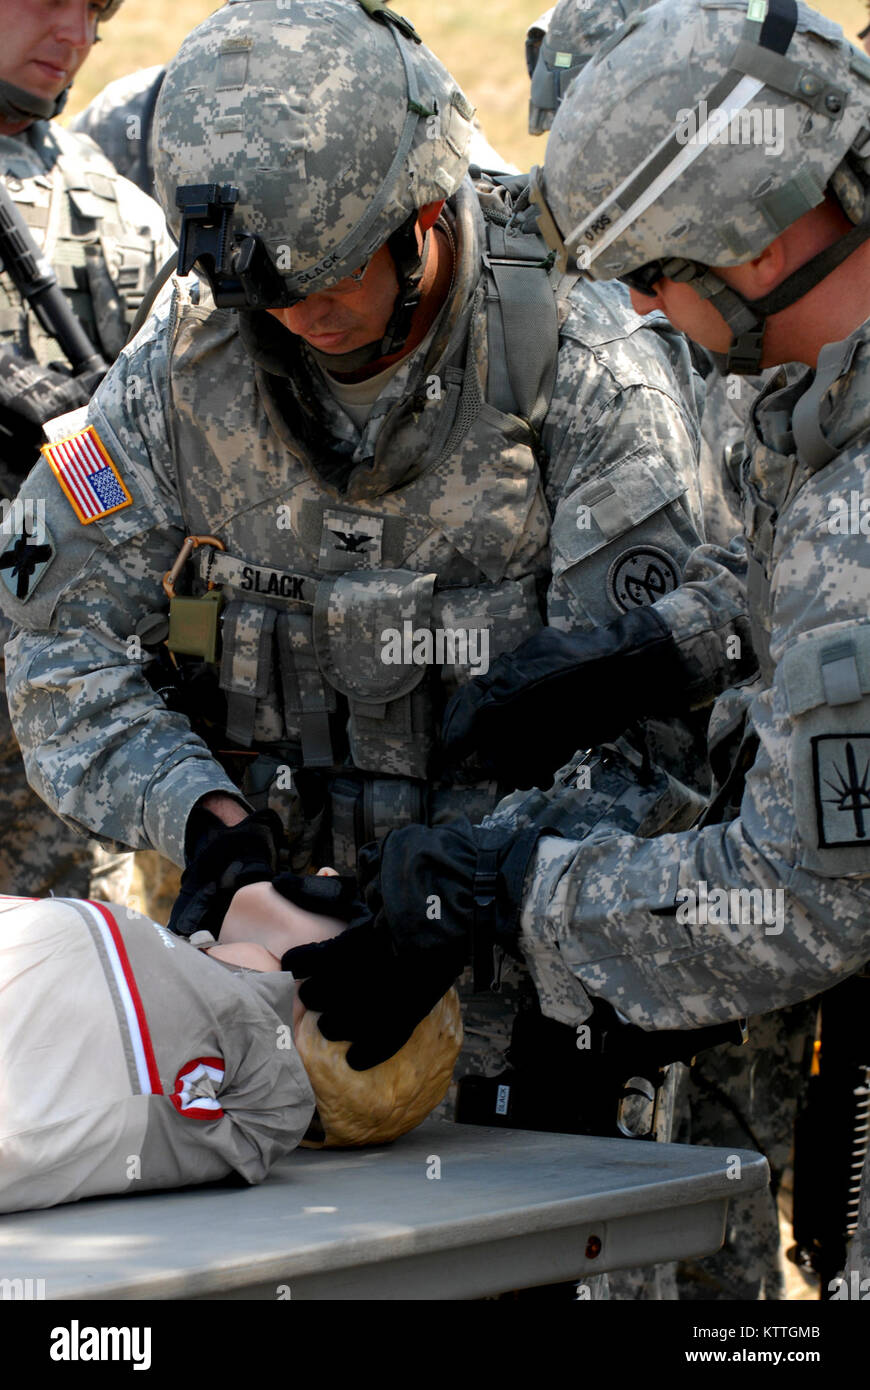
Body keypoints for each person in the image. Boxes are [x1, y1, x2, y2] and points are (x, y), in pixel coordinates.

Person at [265, 0, 870, 1293]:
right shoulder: (828, 404)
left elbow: (799, 900)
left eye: (653, 278)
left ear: (749, 256)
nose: (648, 314)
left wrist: (508, 886)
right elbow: (801, 580)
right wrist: (659, 647)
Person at [1, 0, 708, 1107]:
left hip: (532, 1016)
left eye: (330, 277)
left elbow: (659, 744)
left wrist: (473, 894)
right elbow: (53, 640)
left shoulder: (580, 370)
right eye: (270, 293)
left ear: (425, 211)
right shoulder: (193, 354)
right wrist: (200, 817)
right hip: (271, 1003)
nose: (301, 319)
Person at [0, 0, 172, 903]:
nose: (74, 34)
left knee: (71, 969)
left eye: (95, 10)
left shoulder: (114, 207)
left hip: (58, 682)